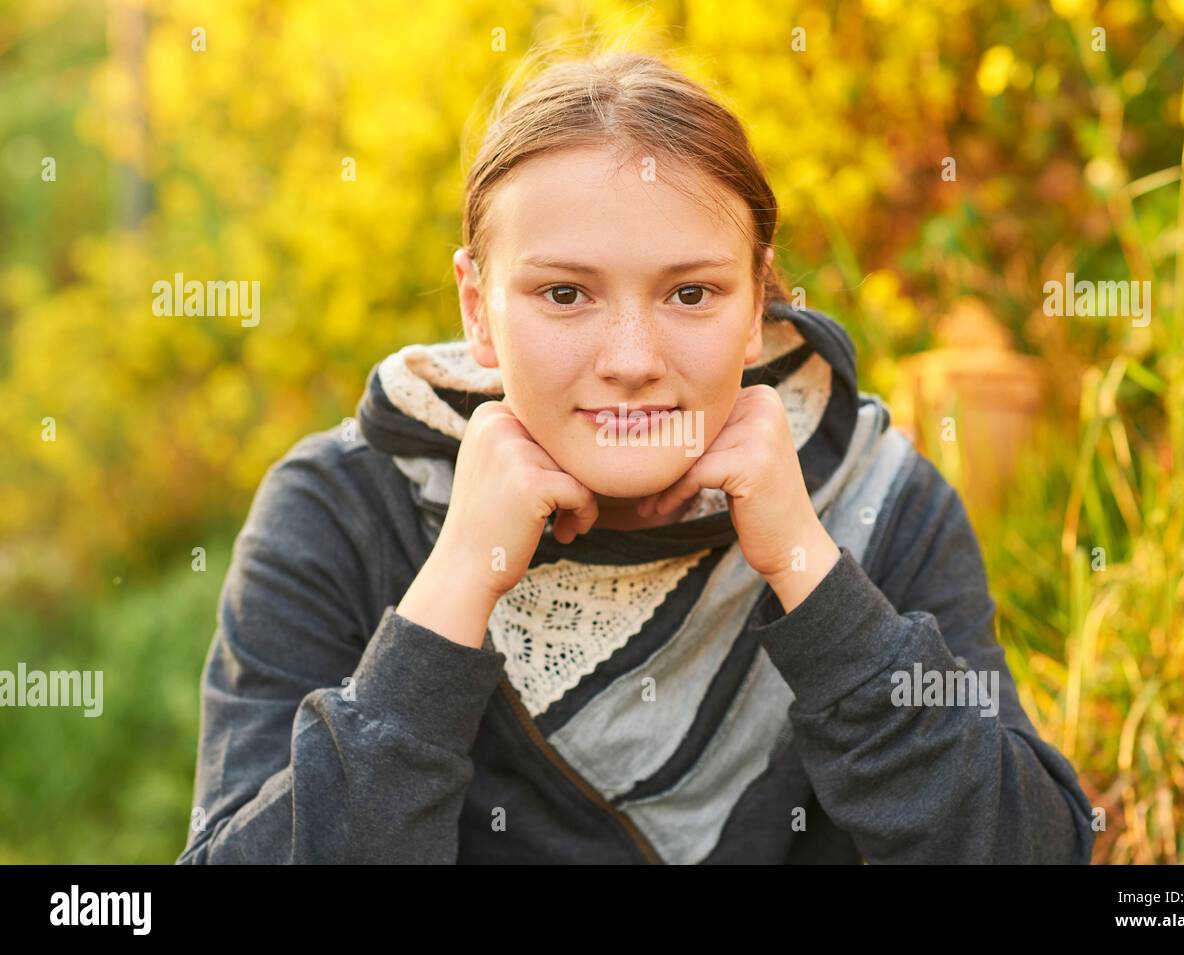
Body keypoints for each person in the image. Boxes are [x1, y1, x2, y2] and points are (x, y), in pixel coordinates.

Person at [178, 49, 1095, 864]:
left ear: (756, 300)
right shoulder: (341, 509)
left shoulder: (881, 502)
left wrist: (810, 574)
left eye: (691, 292)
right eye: (565, 293)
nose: (631, 359)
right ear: (476, 307)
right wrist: (453, 588)